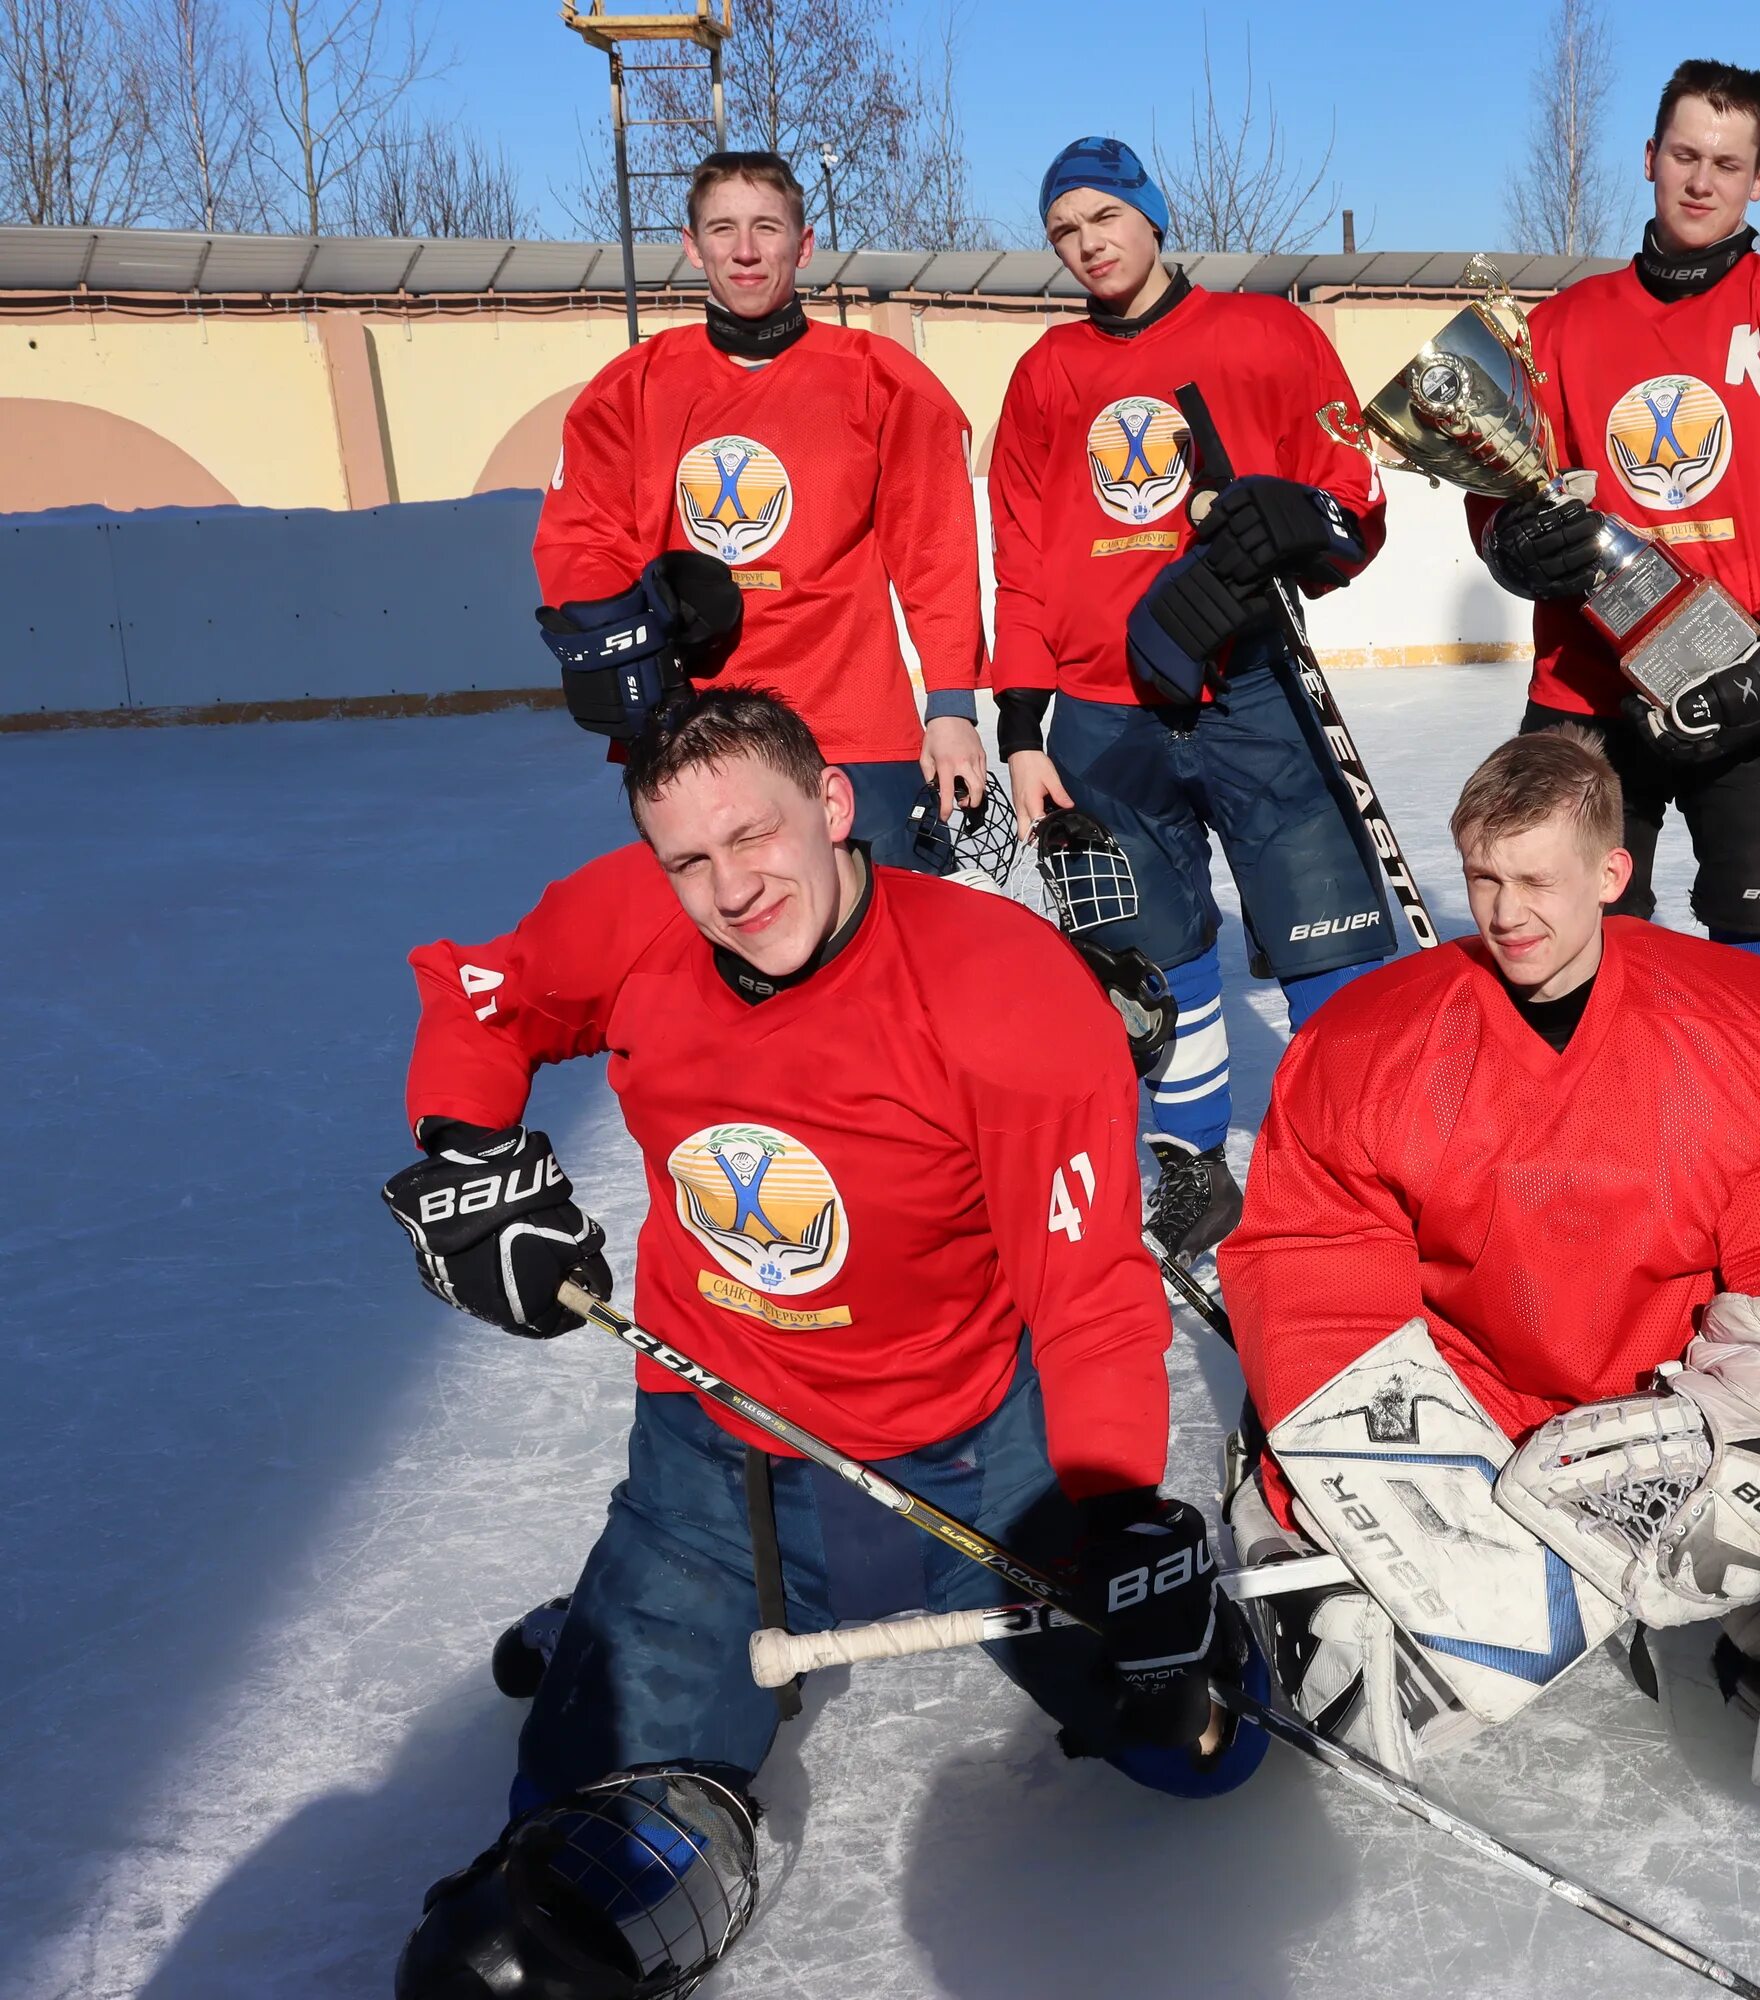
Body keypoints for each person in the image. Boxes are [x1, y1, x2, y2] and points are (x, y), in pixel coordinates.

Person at [379, 690, 1258, 1992]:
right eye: (688, 858)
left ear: (836, 807)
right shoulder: (623, 920)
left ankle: (642, 1606)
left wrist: (1122, 1516)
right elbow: (482, 996)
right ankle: (630, 1600)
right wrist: (467, 1148)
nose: (730, 887)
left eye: (755, 837)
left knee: (1199, 1739)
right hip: (719, 1464)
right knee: (540, 1932)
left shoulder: (999, 985)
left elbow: (1085, 1296)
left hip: (977, 1454)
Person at [1218, 729, 1760, 1781]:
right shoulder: (1366, 1043)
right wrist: (1388, 1453)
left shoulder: (1751, 1021)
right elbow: (1314, 1254)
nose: (1506, 913)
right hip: (1477, 1404)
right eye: (1484, 878)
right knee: (1382, 1675)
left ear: (1611, 872)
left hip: (1673, 1407)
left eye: (1538, 879)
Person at [990, 135, 1396, 1285]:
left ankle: (1360, 1168)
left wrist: (1303, 518)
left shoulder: (1266, 334)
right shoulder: (1045, 375)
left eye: (1104, 218)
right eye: (1065, 231)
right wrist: (1021, 726)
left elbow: (1353, 493)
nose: (1087, 245)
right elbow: (1017, 556)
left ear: (1152, 217)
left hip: (1253, 686)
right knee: (1151, 959)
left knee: (1333, 943)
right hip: (1099, 712)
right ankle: (1192, 1162)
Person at [1466, 59, 1760, 1020]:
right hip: (1588, 692)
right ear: (1650, 157)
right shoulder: (1564, 327)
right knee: (1577, 936)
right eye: (1686, 156)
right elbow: (1502, 491)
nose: (1703, 182)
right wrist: (1505, 542)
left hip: (1753, 685)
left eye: (1729, 164)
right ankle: (1597, 1145)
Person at [534, 151, 988, 869]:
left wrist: (953, 705)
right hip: (695, 731)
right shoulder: (631, 389)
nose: (745, 250)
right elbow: (579, 540)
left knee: (875, 957)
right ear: (692, 246)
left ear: (803, 245)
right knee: (733, 958)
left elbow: (935, 552)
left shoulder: (881, 381)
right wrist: (634, 632)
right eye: (723, 229)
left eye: (767, 228)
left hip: (853, 733)